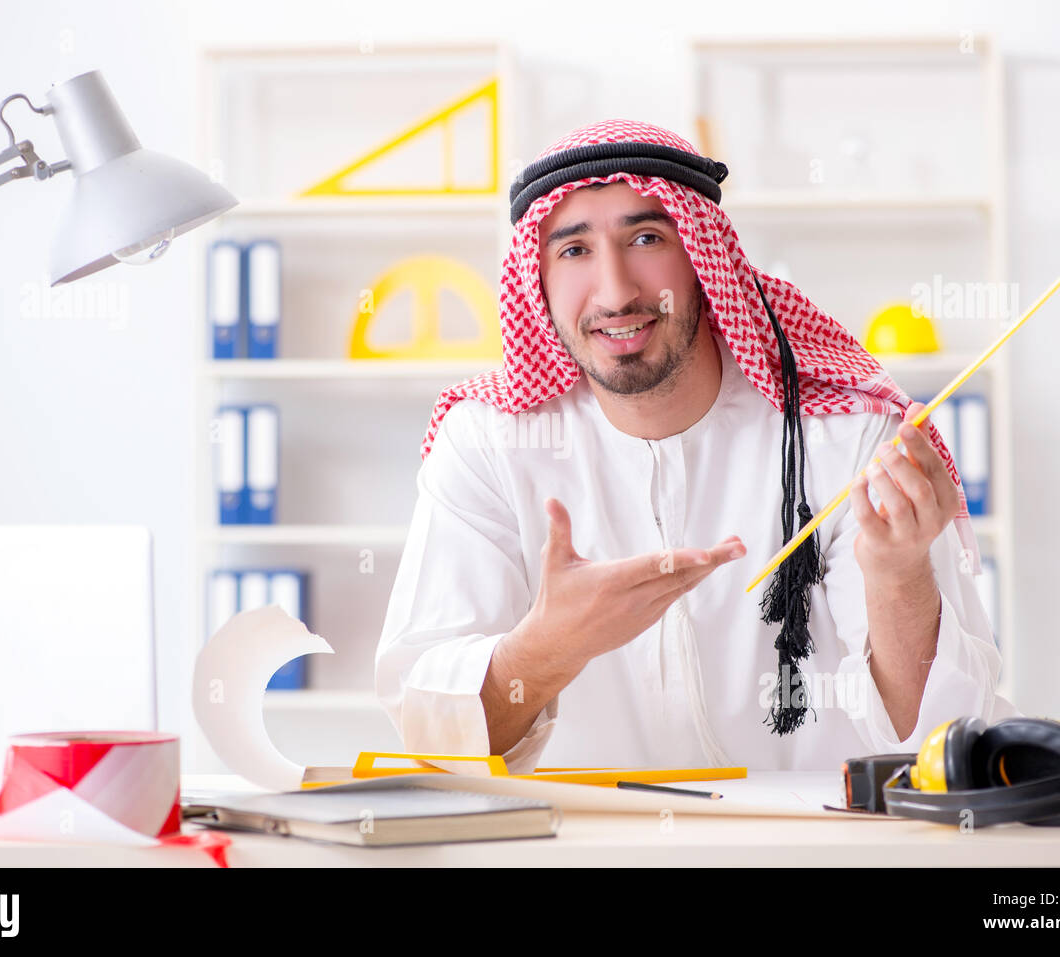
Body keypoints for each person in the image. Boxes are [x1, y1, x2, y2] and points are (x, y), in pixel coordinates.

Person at [374, 119, 1019, 773]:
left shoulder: (846, 436)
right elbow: (430, 731)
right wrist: (547, 647)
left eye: (646, 237)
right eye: (573, 250)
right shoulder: (487, 442)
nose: (616, 290)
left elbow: (936, 742)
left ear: (702, 256)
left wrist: (900, 576)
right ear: (536, 278)